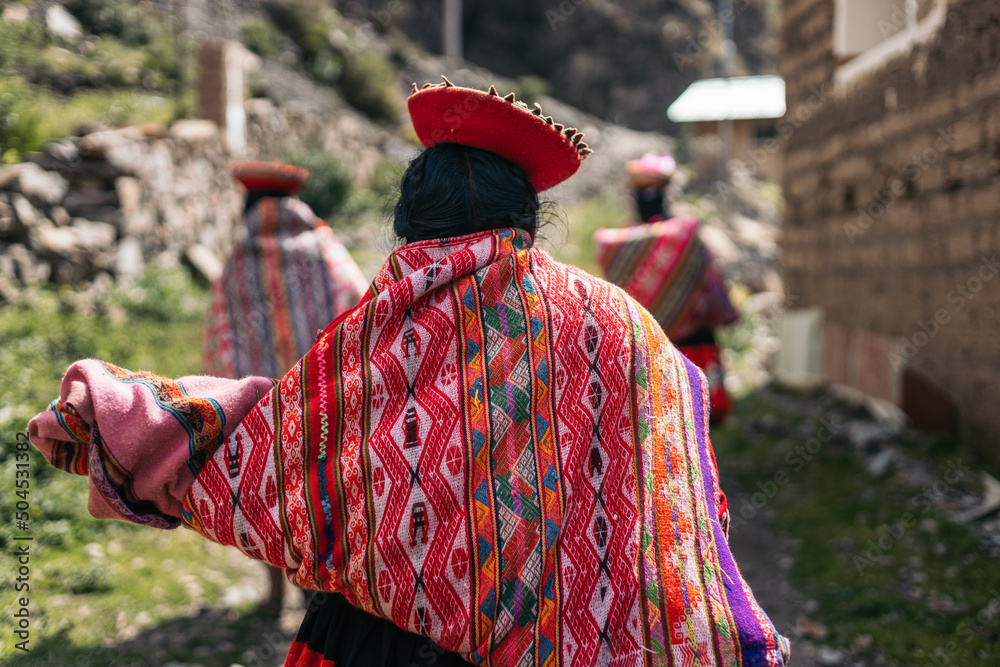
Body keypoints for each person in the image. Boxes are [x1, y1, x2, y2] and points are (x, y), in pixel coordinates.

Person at [27, 79, 789, 666]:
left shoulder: (371, 332)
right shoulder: (618, 325)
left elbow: (281, 450)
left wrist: (139, 419)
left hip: (373, 642)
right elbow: (670, 497)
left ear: (408, 225)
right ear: (528, 220)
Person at [203, 159, 369, 614]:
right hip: (323, 404)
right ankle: (319, 590)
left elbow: (222, 329)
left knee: (263, 489)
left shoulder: (242, 257)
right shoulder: (324, 248)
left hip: (262, 410)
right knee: (324, 493)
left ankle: (275, 590)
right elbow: (358, 308)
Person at [594, 152, 740, 424]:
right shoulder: (686, 236)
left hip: (649, 354)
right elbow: (712, 287)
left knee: (656, 429)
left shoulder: (615, 245)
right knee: (695, 425)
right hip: (693, 350)